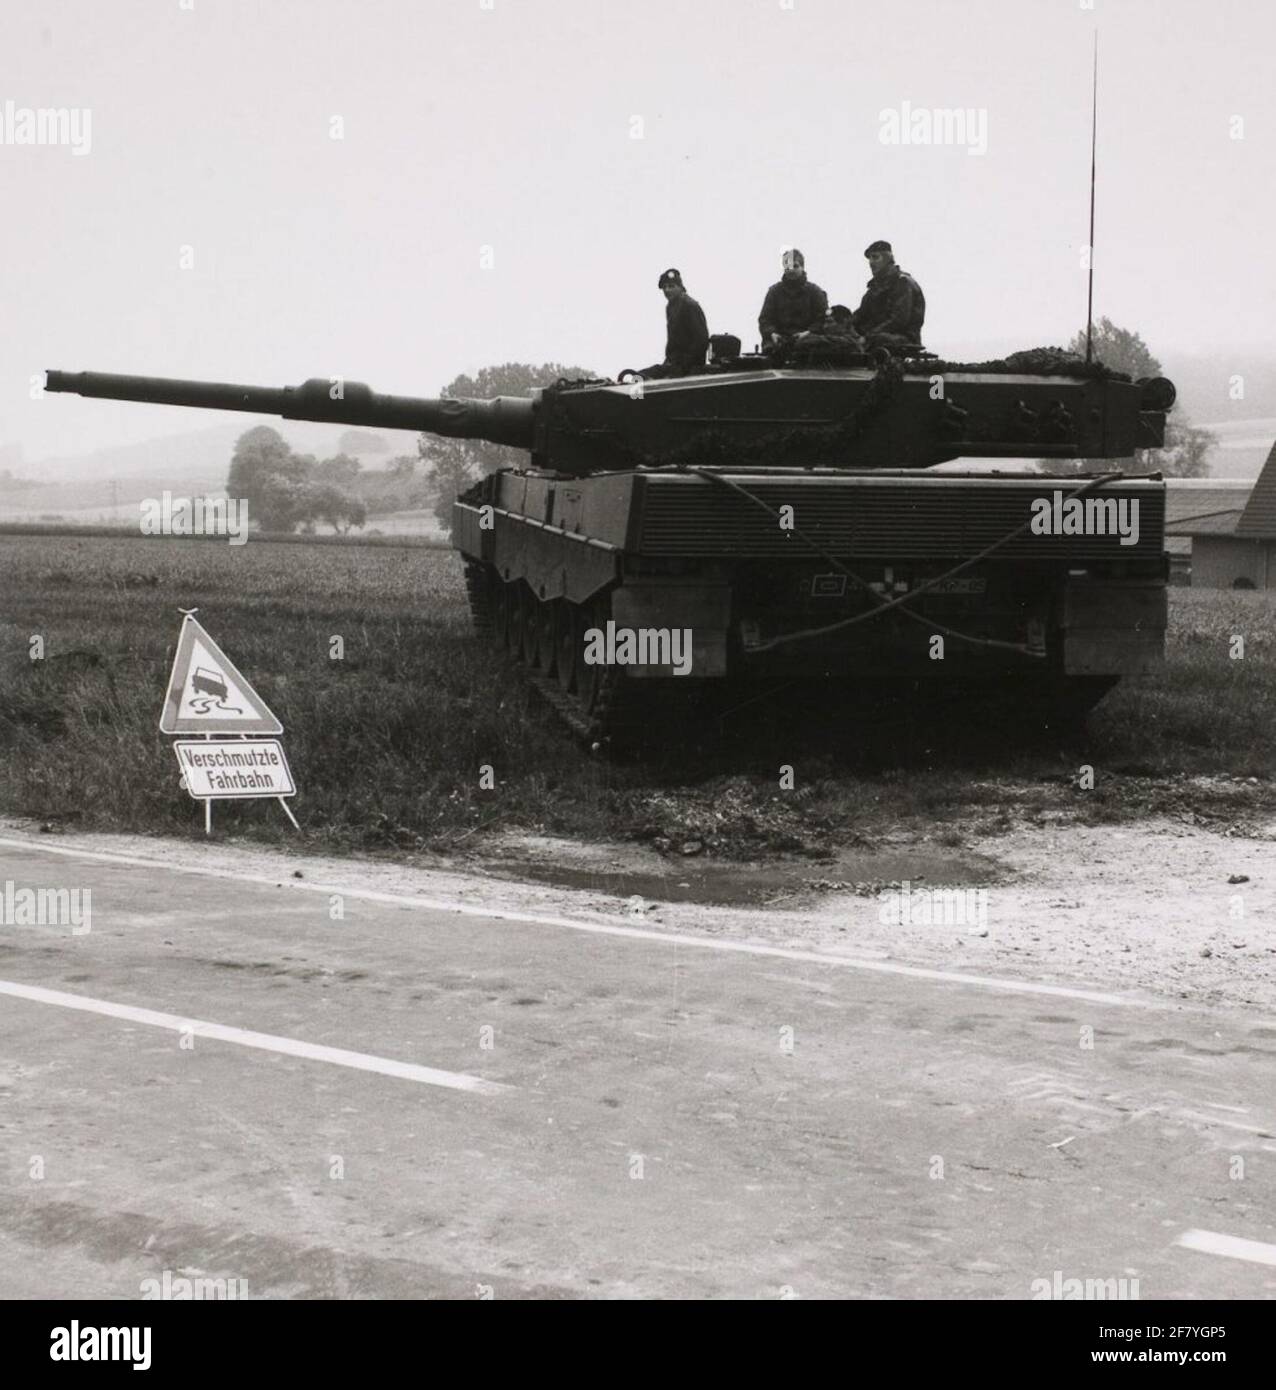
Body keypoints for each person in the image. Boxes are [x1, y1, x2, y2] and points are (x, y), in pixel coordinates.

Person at [850, 240, 925, 348]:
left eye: (875, 257)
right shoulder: (875, 286)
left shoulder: (903, 282)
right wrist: (844, 325)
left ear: (888, 259)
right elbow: (861, 313)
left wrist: (867, 336)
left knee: (876, 339)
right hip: (877, 334)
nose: (871, 262)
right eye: (869, 258)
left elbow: (898, 320)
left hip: (904, 337)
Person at [758, 248, 829, 349]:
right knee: (769, 352)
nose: (791, 270)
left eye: (795, 266)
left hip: (807, 339)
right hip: (778, 339)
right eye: (787, 267)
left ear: (802, 267)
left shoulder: (815, 292)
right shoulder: (774, 292)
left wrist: (809, 332)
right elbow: (765, 319)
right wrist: (772, 333)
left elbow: (823, 319)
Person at [656, 267, 709, 375]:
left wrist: (684, 366)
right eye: (664, 287)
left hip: (689, 367)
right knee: (638, 376)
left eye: (671, 286)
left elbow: (701, 341)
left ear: (680, 287)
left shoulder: (689, 305)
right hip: (674, 363)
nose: (667, 290)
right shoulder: (671, 306)